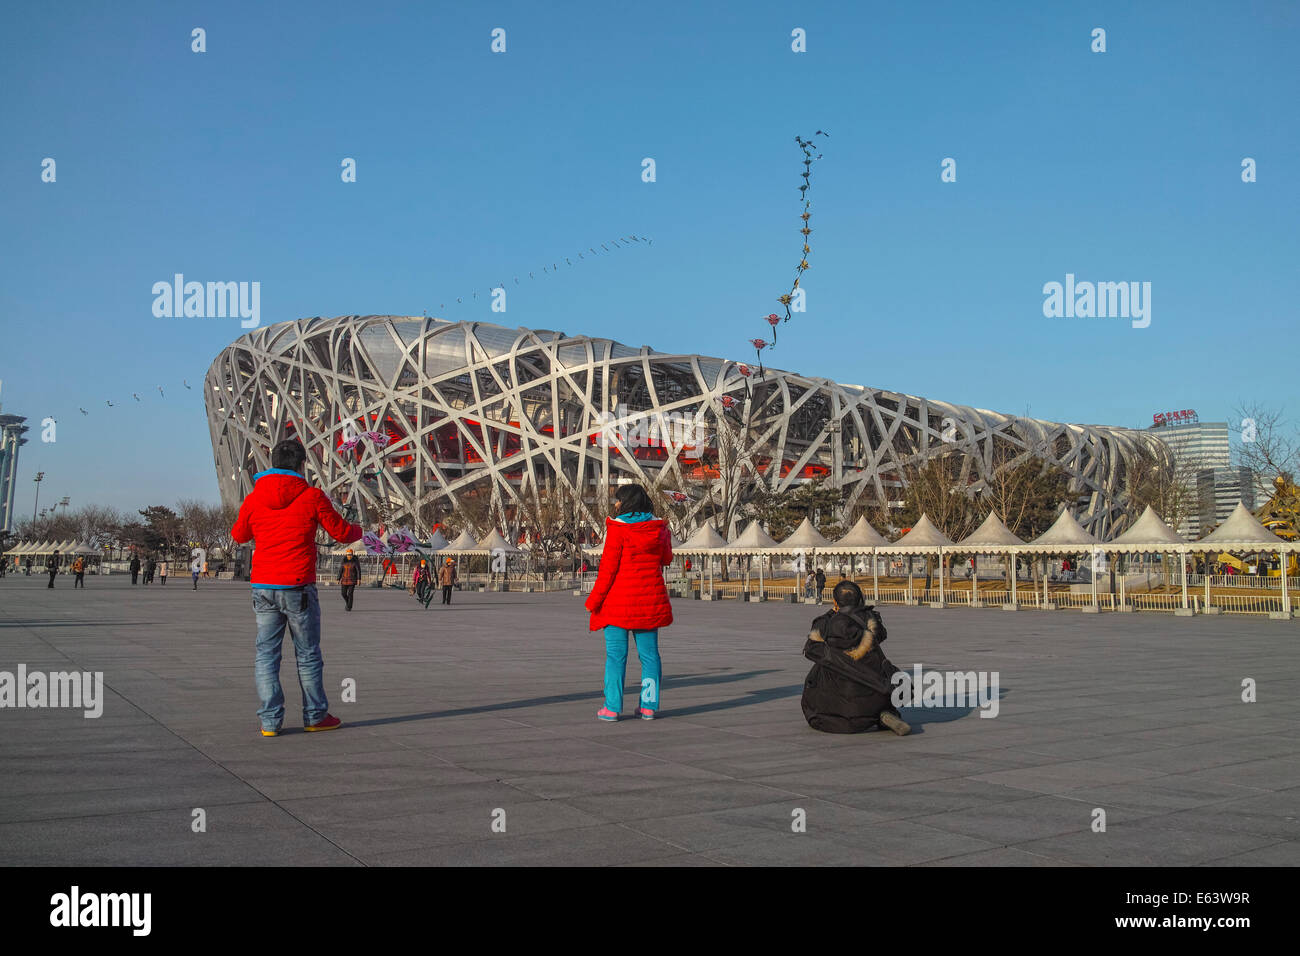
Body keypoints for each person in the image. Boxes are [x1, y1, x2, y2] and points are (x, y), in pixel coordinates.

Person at [231, 438, 362, 737]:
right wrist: (359, 530)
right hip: (297, 585)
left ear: (272, 462)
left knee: (266, 654)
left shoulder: (254, 498)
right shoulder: (312, 496)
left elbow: (239, 535)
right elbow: (341, 533)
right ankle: (315, 715)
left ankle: (269, 722)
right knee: (307, 654)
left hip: (263, 586)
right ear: (302, 464)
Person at [584, 483, 673, 721]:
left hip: (618, 603)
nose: (615, 504)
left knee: (615, 656)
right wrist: (665, 535)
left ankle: (612, 707)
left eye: (618, 500)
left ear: (627, 503)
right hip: (648, 601)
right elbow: (666, 559)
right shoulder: (659, 528)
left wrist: (594, 601)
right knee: (650, 656)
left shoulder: (617, 529)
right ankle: (648, 706)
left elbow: (608, 569)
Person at [801, 580, 910, 735]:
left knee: (816, 681)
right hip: (875, 696)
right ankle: (882, 715)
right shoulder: (871, 619)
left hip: (836, 709)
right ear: (860, 599)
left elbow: (811, 650)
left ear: (834, 601)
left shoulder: (826, 623)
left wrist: (832, 612)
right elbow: (881, 635)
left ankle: (873, 716)